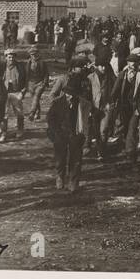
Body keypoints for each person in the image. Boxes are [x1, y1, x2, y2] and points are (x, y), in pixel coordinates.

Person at [46, 60, 90, 191]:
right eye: (67, 93)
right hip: (61, 133)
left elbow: (89, 118)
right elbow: (50, 119)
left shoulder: (82, 104)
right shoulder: (58, 103)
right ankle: (60, 176)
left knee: (76, 159)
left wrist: (84, 132)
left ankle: (73, 181)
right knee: (60, 158)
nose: (70, 96)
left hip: (76, 134)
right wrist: (56, 133)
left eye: (72, 94)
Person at [104, 49, 140, 166]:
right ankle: (127, 148)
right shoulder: (123, 74)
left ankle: (131, 155)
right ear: (127, 63)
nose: (133, 64)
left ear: (138, 63)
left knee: (131, 129)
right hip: (123, 107)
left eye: (135, 62)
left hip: (136, 107)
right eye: (130, 62)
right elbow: (115, 89)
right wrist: (111, 101)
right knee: (124, 129)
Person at [0, 49, 26, 142]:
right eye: (9, 57)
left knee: (19, 112)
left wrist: (23, 92)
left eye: (13, 56)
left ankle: (20, 130)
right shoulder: (1, 66)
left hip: (16, 92)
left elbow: (25, 79)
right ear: (5, 57)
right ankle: (3, 133)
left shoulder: (20, 66)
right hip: (4, 93)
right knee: (4, 114)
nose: (11, 59)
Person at [26, 49, 50, 121]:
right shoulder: (28, 63)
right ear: (30, 55)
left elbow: (46, 73)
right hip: (31, 83)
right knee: (34, 98)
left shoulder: (42, 62)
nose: (34, 56)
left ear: (38, 54)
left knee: (36, 96)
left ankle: (32, 113)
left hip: (40, 82)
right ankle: (38, 112)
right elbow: (26, 74)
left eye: (35, 54)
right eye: (32, 54)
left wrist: (44, 83)